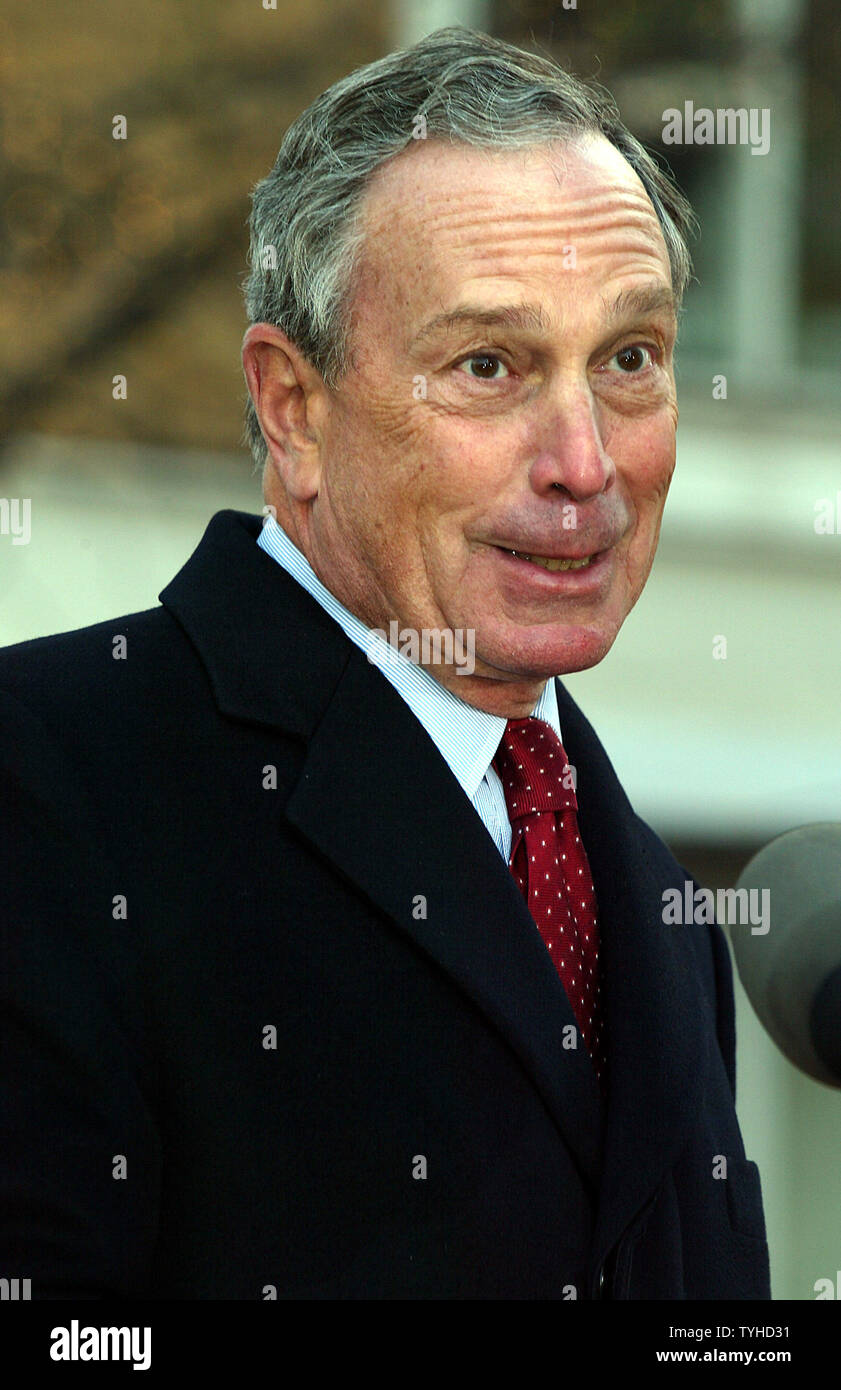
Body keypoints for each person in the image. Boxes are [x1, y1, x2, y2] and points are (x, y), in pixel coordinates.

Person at [0, 27, 771, 1299]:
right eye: (488, 365)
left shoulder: (650, 900)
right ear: (294, 409)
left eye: (628, 359)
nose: (583, 461)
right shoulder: (49, 786)